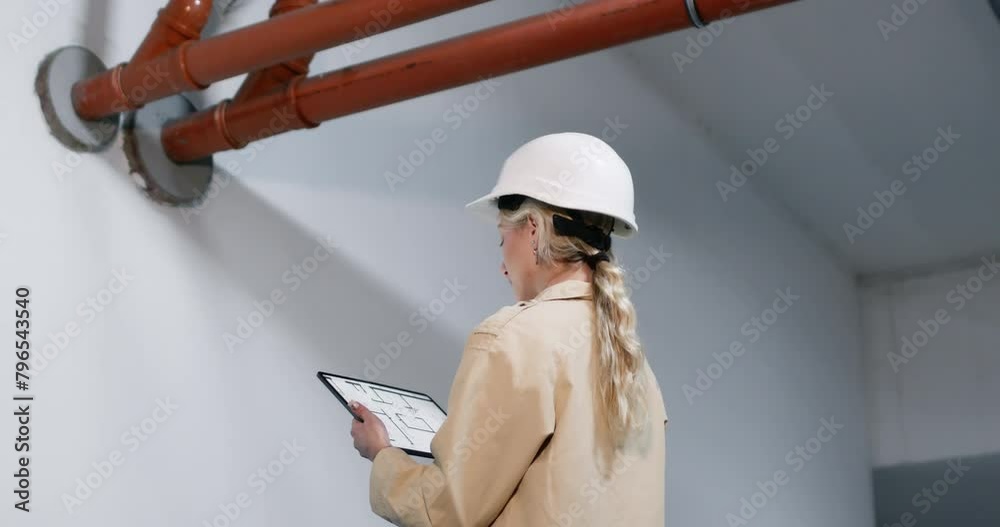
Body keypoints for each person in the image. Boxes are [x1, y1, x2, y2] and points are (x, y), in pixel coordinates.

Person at [349, 132, 668, 526]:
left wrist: (382, 455)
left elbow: (448, 513)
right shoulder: (630, 358)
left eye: (502, 240)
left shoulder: (514, 338)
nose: (502, 265)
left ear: (532, 229)